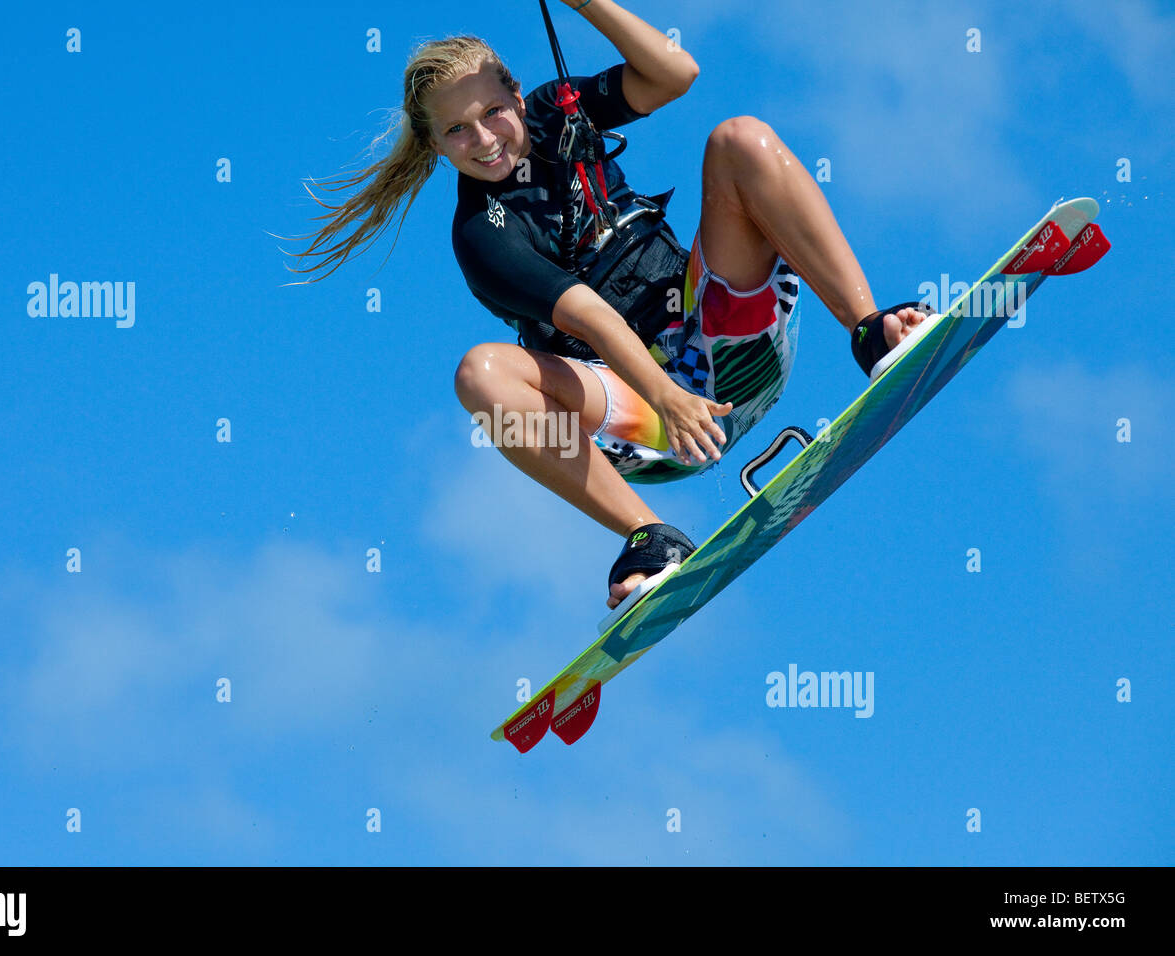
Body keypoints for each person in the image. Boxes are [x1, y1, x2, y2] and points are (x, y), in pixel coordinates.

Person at [288, 0, 931, 614]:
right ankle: (651, 538)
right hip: (645, 424)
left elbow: (676, 74)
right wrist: (667, 399)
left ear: (517, 93)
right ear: (434, 145)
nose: (483, 139)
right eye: (456, 130)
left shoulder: (553, 114)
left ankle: (871, 333)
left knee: (741, 139)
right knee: (480, 373)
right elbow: (591, 315)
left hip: (724, 334)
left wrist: (586, 4)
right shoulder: (481, 236)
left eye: (492, 111)